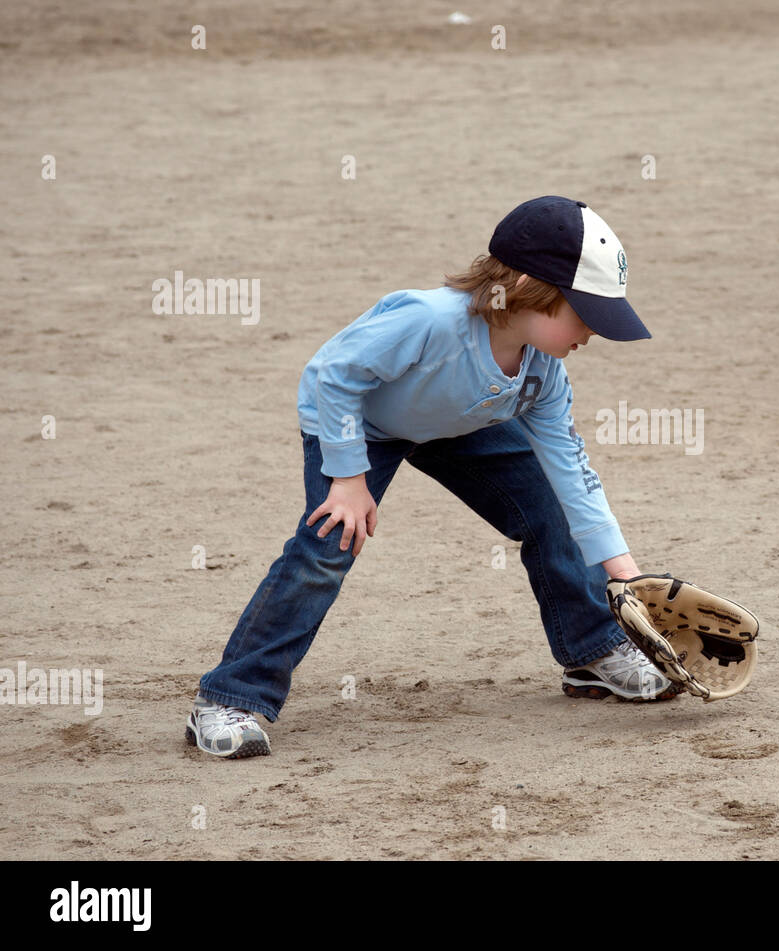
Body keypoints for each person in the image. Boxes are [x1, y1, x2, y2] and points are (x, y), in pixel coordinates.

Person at [186, 195, 676, 759]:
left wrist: (628, 576)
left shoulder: (544, 370)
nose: (593, 331)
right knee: (329, 544)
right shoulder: (431, 320)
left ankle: (592, 651)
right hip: (359, 424)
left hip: (460, 425)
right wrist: (348, 477)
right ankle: (231, 696)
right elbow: (334, 375)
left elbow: (571, 469)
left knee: (553, 511)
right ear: (525, 288)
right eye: (584, 312)